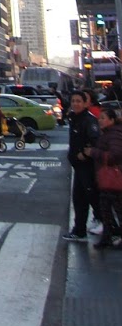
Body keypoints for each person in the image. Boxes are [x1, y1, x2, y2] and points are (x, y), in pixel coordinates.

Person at [65, 89, 102, 241]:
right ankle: (79, 230)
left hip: (87, 166)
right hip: (78, 166)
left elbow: (96, 141)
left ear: (85, 103)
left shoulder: (89, 120)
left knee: (92, 195)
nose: (75, 104)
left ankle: (108, 225)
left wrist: (85, 153)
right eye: (73, 101)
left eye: (78, 101)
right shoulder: (75, 118)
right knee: (79, 198)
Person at [94, 101, 122, 248]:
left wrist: (94, 152)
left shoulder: (114, 134)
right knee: (106, 208)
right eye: (99, 118)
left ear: (111, 120)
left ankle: (109, 235)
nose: (100, 121)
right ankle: (107, 236)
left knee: (117, 208)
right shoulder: (107, 133)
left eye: (103, 118)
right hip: (107, 178)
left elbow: (115, 155)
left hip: (113, 177)